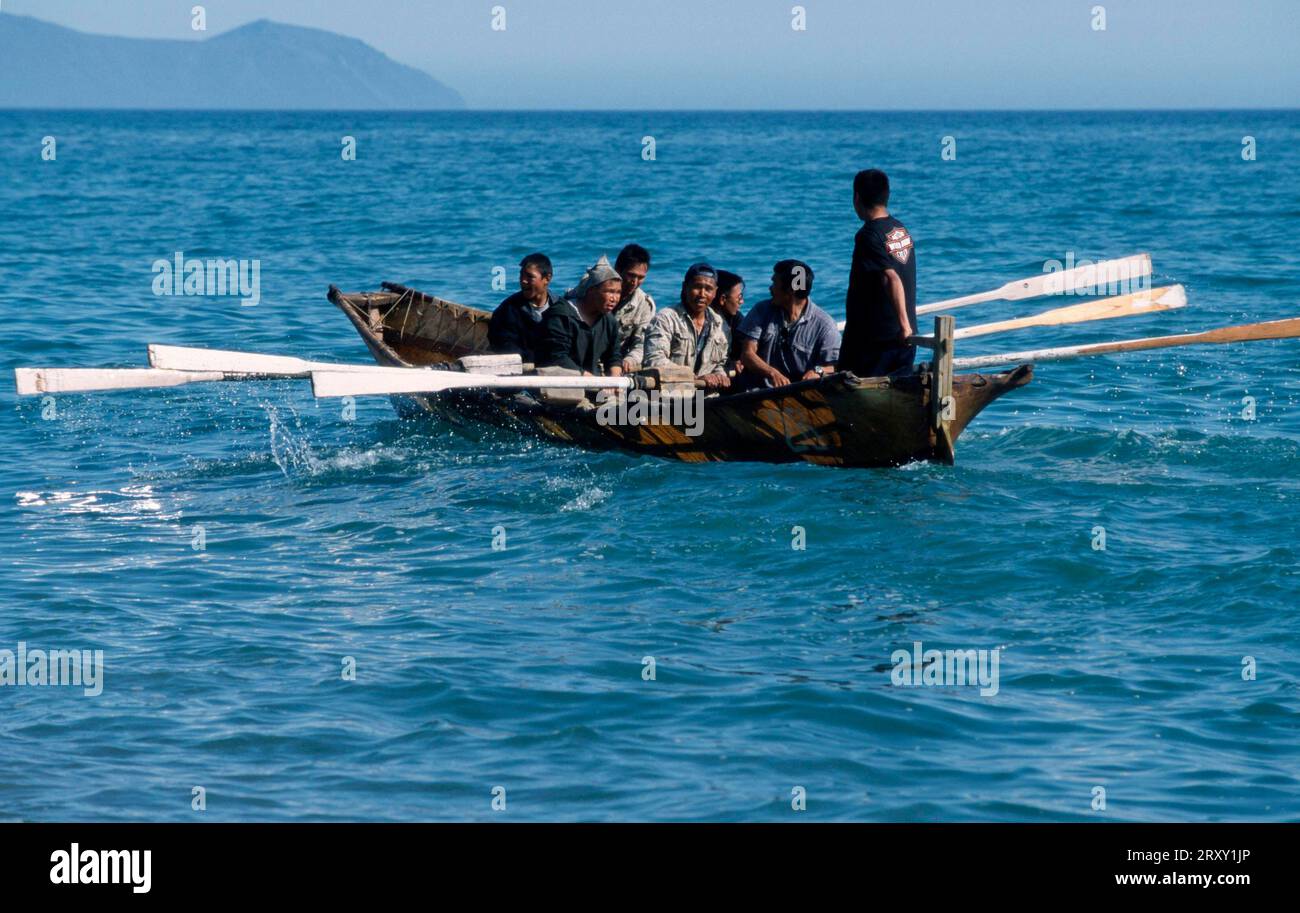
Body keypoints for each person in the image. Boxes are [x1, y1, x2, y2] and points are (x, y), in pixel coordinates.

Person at [837, 169, 918, 377]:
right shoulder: (900, 230)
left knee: (852, 396)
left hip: (876, 341)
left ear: (856, 197)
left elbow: (891, 278)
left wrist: (903, 325)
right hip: (902, 338)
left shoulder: (868, 235)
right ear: (886, 195)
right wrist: (907, 328)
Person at [735, 260, 840, 389]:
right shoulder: (761, 310)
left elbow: (833, 366)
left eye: (774, 283)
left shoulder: (825, 326)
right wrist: (772, 373)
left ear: (790, 290)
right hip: (756, 394)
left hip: (800, 396)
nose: (770, 288)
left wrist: (817, 371)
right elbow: (747, 354)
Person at [643, 263, 731, 391]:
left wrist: (719, 376)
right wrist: (695, 378)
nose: (702, 294)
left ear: (715, 292)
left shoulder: (721, 325)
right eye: (697, 287)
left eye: (708, 289)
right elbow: (655, 360)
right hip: (668, 396)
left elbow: (720, 364)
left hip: (705, 399)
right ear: (685, 287)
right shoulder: (665, 319)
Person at [537, 255, 624, 376]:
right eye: (609, 291)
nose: (614, 298)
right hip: (557, 383)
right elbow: (557, 357)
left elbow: (613, 356)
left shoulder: (609, 321)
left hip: (591, 382)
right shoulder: (561, 316)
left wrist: (615, 379)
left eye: (618, 292)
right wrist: (586, 377)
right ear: (591, 291)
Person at [487, 253, 561, 364]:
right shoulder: (507, 310)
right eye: (521, 275)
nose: (523, 280)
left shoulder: (560, 308)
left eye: (529, 277)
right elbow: (503, 346)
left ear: (547, 278)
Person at [611, 244, 656, 373]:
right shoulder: (596, 291)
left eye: (641, 277)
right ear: (618, 270)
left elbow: (642, 343)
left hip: (619, 364)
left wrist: (630, 359)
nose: (634, 282)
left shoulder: (644, 304)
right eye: (631, 275)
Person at [710, 270, 746, 365]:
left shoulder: (736, 319)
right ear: (723, 299)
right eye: (739, 297)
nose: (742, 301)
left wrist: (737, 361)